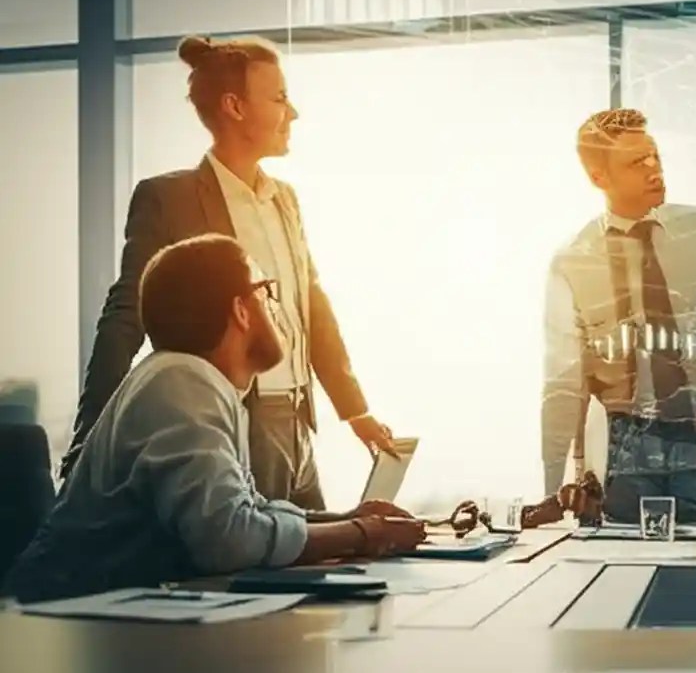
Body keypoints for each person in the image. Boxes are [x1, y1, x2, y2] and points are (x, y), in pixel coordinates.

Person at [63, 35, 396, 509]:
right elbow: (125, 314)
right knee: (253, 561)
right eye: (279, 98)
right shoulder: (168, 198)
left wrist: (354, 410)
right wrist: (87, 441)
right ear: (234, 107)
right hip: (233, 416)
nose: (293, 113)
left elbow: (312, 307)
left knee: (324, 558)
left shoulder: (285, 199)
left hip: (298, 419)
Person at [2, 235, 425, 603]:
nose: (276, 309)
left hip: (101, 628)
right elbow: (228, 539)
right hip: (47, 637)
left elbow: (247, 513)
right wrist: (364, 533)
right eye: (266, 291)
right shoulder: (180, 381)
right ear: (241, 310)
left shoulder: (195, 383)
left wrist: (348, 519)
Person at [542, 108, 696, 524]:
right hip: (624, 461)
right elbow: (564, 379)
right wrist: (553, 485)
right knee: (622, 575)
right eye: (636, 162)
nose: (654, 169)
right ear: (599, 178)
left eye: (654, 156)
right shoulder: (574, 260)